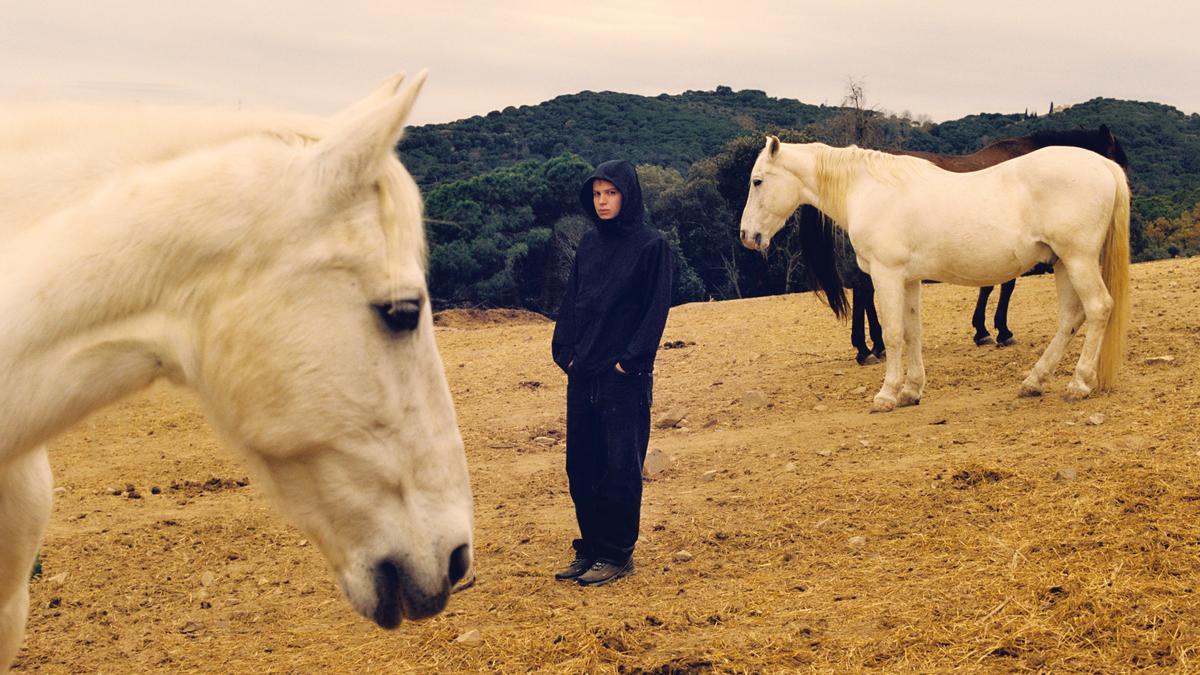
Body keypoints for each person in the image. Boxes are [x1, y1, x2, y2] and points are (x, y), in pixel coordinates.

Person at [550, 160, 673, 587]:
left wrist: (630, 363)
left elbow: (655, 311)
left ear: (628, 195)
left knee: (620, 466)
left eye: (611, 194)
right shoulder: (588, 243)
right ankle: (593, 546)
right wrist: (563, 351)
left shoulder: (651, 246)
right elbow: (572, 301)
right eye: (597, 194)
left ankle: (618, 553)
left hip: (623, 378)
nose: (602, 202)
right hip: (582, 371)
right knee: (581, 464)